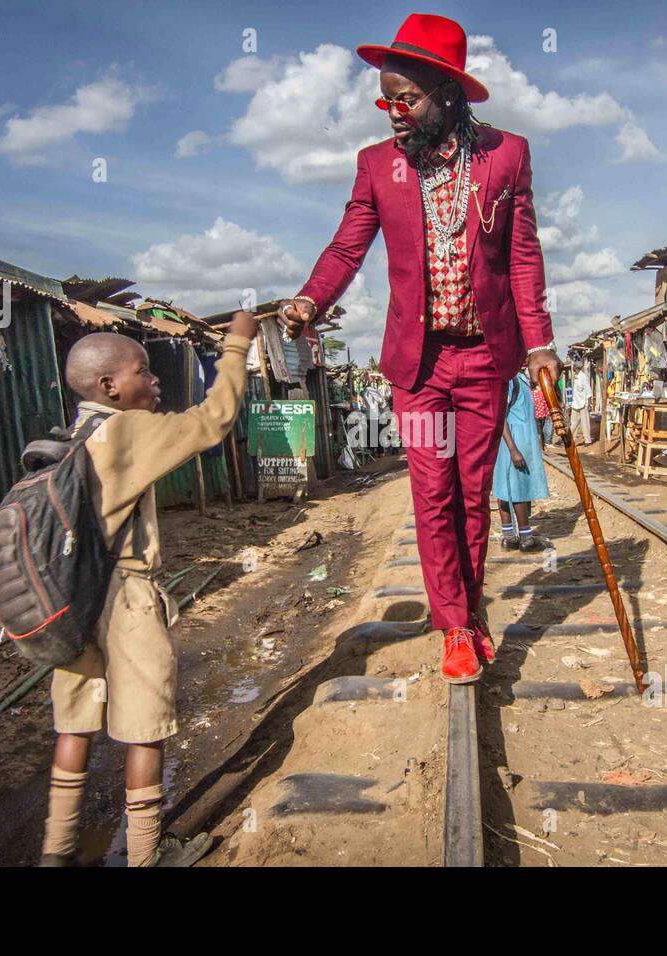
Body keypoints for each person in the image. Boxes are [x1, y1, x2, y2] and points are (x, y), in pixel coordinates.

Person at [275, 13, 561, 684]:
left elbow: (523, 257)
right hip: (420, 366)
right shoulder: (377, 167)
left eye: (407, 97)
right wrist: (311, 299)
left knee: (470, 492)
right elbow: (348, 245)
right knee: (432, 492)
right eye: (385, 99)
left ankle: (470, 608)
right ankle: (456, 626)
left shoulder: (506, 156)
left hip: (485, 359)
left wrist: (540, 342)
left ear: (448, 94)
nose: (394, 111)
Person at [39, 312, 258, 867]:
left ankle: (56, 852)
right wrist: (237, 347)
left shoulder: (68, 438)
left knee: (76, 720)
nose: (155, 379)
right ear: (111, 386)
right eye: (144, 370)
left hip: (68, 595)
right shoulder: (127, 430)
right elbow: (213, 420)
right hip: (124, 597)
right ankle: (146, 855)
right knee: (144, 725)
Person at [494, 368, 552, 552]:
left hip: (520, 438)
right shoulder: (510, 379)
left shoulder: (521, 378)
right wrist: (512, 449)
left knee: (509, 487)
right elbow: (500, 415)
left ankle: (510, 537)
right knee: (515, 489)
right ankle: (525, 538)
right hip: (513, 438)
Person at [568, 363, 591, 445]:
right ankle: (570, 439)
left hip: (583, 403)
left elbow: (588, 391)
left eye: (574, 367)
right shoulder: (575, 377)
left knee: (585, 423)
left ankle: (587, 440)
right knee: (573, 423)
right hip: (575, 403)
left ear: (577, 368)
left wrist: (588, 404)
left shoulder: (583, 377)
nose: (573, 368)